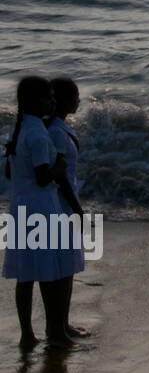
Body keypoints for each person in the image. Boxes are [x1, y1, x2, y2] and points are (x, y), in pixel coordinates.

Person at [3, 76, 84, 349]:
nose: (51, 102)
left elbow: (10, 171)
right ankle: (55, 331)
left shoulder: (24, 129)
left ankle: (29, 334)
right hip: (40, 205)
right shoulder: (38, 133)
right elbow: (42, 177)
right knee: (49, 270)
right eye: (47, 97)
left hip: (22, 205)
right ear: (35, 100)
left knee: (27, 273)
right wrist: (58, 170)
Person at [45, 78, 90, 338]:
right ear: (63, 100)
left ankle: (62, 323)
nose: (78, 100)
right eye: (75, 96)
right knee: (61, 267)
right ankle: (56, 328)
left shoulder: (58, 127)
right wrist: (77, 209)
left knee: (68, 265)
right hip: (59, 204)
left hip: (65, 201)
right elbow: (60, 177)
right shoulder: (54, 131)